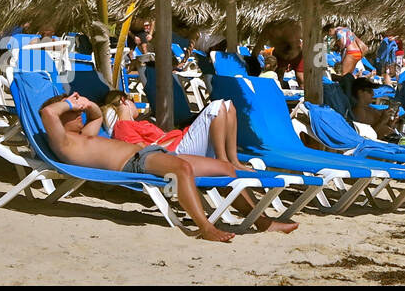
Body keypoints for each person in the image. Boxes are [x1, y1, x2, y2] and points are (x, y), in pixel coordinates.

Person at [43, 92, 297, 241]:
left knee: (226, 168)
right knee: (181, 170)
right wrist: (68, 103)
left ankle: (262, 221)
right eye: (73, 113)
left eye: (79, 112)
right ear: (61, 116)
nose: (80, 115)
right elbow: (48, 114)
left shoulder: (85, 133)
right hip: (134, 163)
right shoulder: (64, 142)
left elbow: (97, 115)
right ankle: (205, 227)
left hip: (149, 153)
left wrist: (84, 103)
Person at [104, 90, 249, 171]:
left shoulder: (140, 123)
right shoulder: (122, 126)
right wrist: (170, 139)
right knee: (216, 107)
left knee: (229, 106)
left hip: (184, 145)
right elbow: (144, 152)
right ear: (124, 101)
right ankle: (223, 161)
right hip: (178, 153)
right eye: (132, 101)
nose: (135, 106)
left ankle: (233, 161)